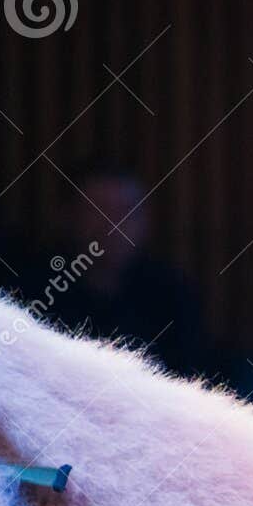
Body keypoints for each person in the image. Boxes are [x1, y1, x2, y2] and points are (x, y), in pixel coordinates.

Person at [37, 160, 207, 378]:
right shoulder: (37, 289)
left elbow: (188, 377)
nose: (113, 223)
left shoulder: (170, 293)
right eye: (98, 209)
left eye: (126, 211)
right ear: (68, 216)